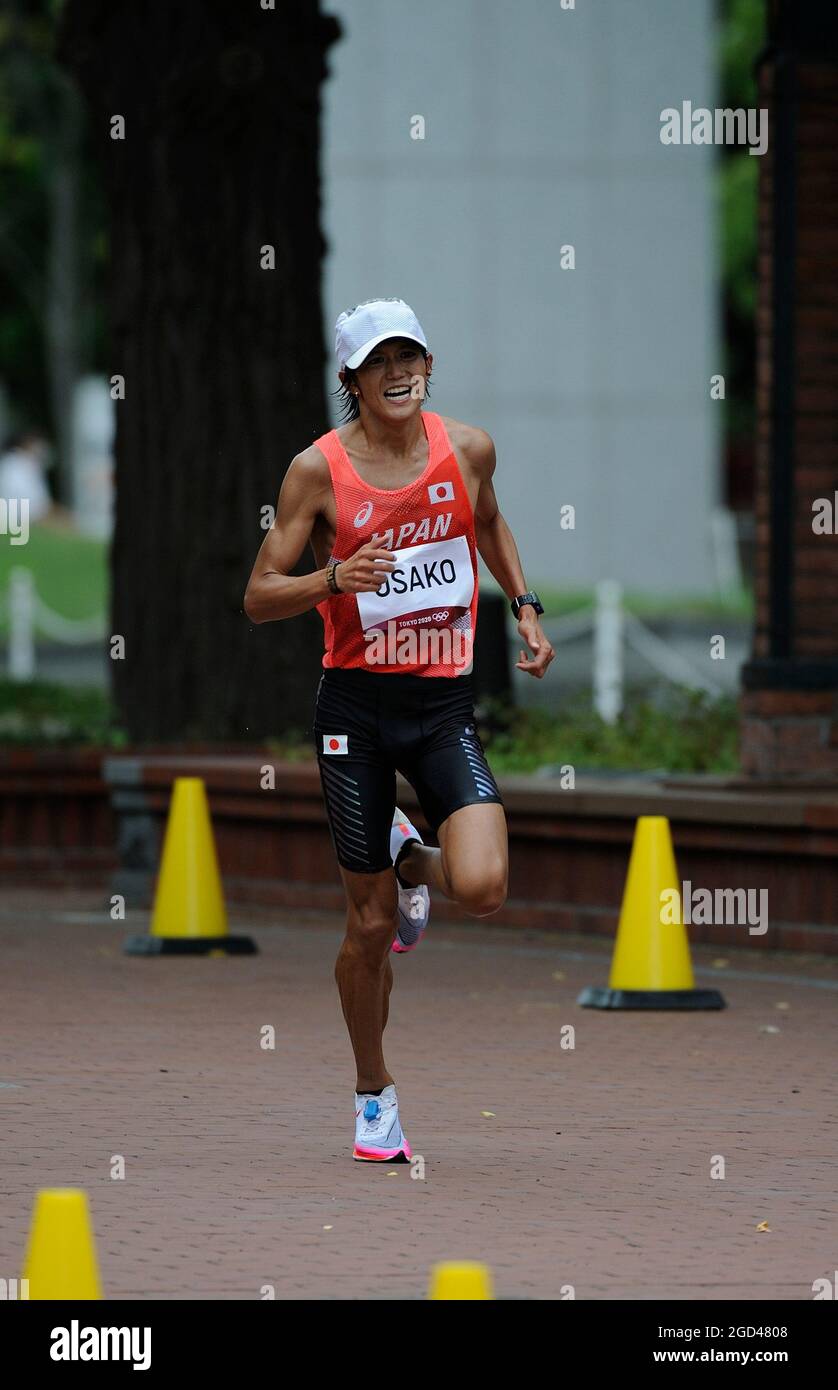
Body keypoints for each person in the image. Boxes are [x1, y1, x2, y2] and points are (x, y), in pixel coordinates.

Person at [244, 298, 554, 1162]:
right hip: (355, 713)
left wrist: (524, 605)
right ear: (352, 380)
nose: (399, 373)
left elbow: (486, 519)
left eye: (410, 356)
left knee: (486, 883)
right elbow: (259, 595)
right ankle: (373, 1096)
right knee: (371, 926)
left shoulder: (469, 449)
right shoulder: (318, 471)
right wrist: (333, 577)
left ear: (428, 365)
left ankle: (411, 856)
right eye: (379, 362)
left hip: (443, 705)